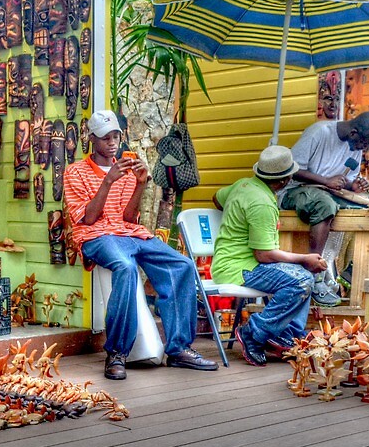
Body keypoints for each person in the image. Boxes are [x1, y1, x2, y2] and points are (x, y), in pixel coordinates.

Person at [64, 109, 217, 380]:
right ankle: (116, 353)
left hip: (129, 232)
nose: (112, 143)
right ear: (92, 140)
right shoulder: (75, 172)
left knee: (182, 264)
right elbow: (87, 218)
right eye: (105, 138)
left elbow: (128, 217)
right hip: (96, 236)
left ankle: (179, 348)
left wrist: (140, 185)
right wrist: (108, 181)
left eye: (116, 137)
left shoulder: (125, 167)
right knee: (125, 268)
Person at [212, 146, 328, 367]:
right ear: (285, 180)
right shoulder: (261, 203)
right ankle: (254, 333)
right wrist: (305, 257)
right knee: (302, 280)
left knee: (303, 275)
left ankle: (287, 335)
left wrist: (236, 218)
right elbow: (264, 255)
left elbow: (217, 199)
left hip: (237, 260)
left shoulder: (243, 185)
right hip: (238, 266)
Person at [279, 111, 369, 305]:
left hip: (328, 193)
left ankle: (349, 274)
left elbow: (345, 180)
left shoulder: (355, 145)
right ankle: (315, 276)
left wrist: (353, 186)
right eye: (364, 144)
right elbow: (291, 170)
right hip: (296, 191)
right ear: (353, 133)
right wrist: (326, 181)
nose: (364, 149)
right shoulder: (319, 133)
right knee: (324, 205)